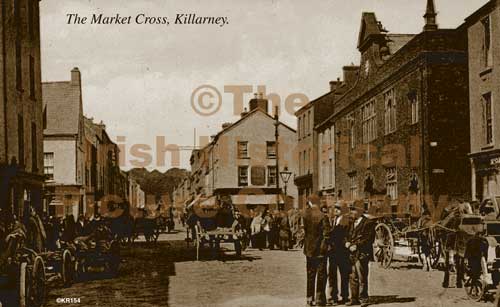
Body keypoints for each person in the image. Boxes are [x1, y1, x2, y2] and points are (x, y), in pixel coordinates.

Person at [345, 201, 375, 306]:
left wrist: (357, 245)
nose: (351, 212)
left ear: (359, 211)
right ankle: (354, 298)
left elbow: (369, 239)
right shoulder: (352, 222)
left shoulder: (368, 223)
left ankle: (364, 299)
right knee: (352, 276)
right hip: (351, 253)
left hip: (362, 253)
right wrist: (347, 242)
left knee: (362, 275)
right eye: (351, 209)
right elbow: (347, 235)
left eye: (353, 210)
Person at [303, 195, 331, 307]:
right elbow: (327, 234)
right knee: (321, 275)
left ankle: (309, 299)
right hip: (320, 251)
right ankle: (319, 299)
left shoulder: (305, 215)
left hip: (309, 249)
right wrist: (324, 249)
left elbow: (305, 231)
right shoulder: (323, 216)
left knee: (310, 274)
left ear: (310, 202)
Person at [327, 202, 351, 305]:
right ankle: (333, 296)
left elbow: (340, 235)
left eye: (338, 208)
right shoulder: (334, 219)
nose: (336, 210)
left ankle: (344, 296)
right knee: (332, 274)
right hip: (333, 252)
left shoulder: (345, 221)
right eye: (335, 208)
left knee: (344, 274)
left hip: (342, 252)